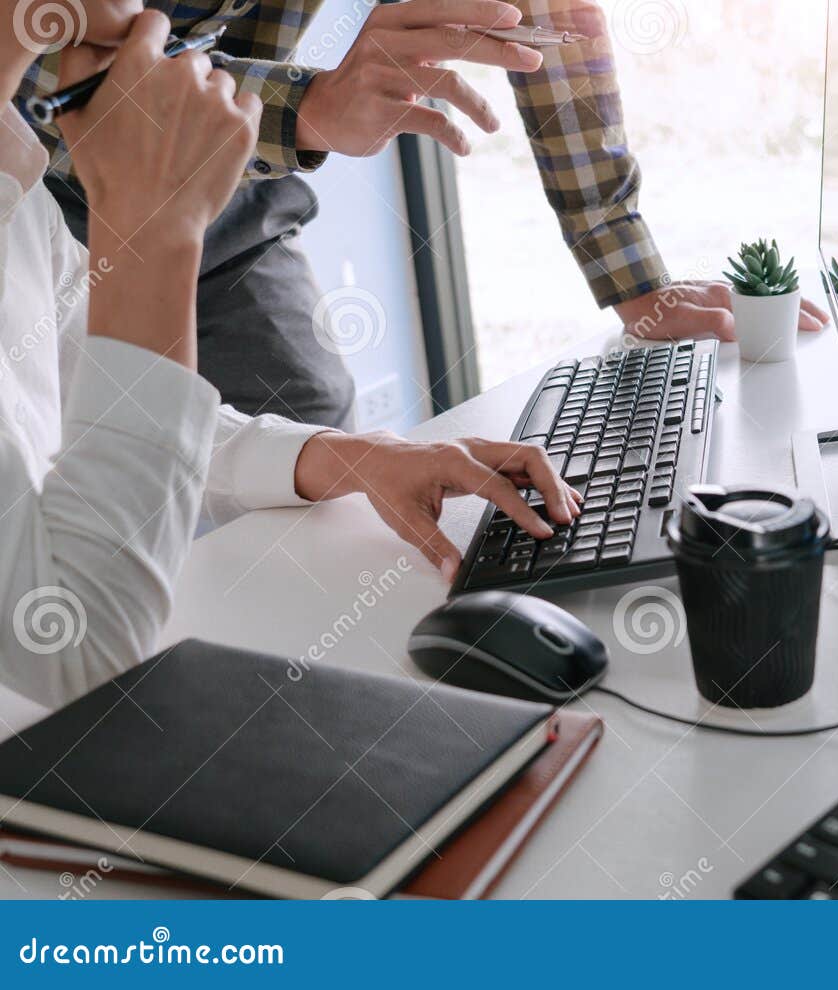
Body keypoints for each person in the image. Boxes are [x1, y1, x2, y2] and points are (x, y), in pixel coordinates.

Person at [0, 2, 577, 707]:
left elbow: (114, 403)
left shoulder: (14, 187)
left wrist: (352, 457)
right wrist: (156, 225)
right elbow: (79, 645)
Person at [16, 0, 828, 429]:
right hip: (25, 189)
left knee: (310, 449)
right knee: (59, 524)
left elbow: (547, 18)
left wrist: (632, 277)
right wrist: (309, 112)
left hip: (223, 182)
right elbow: (40, 67)